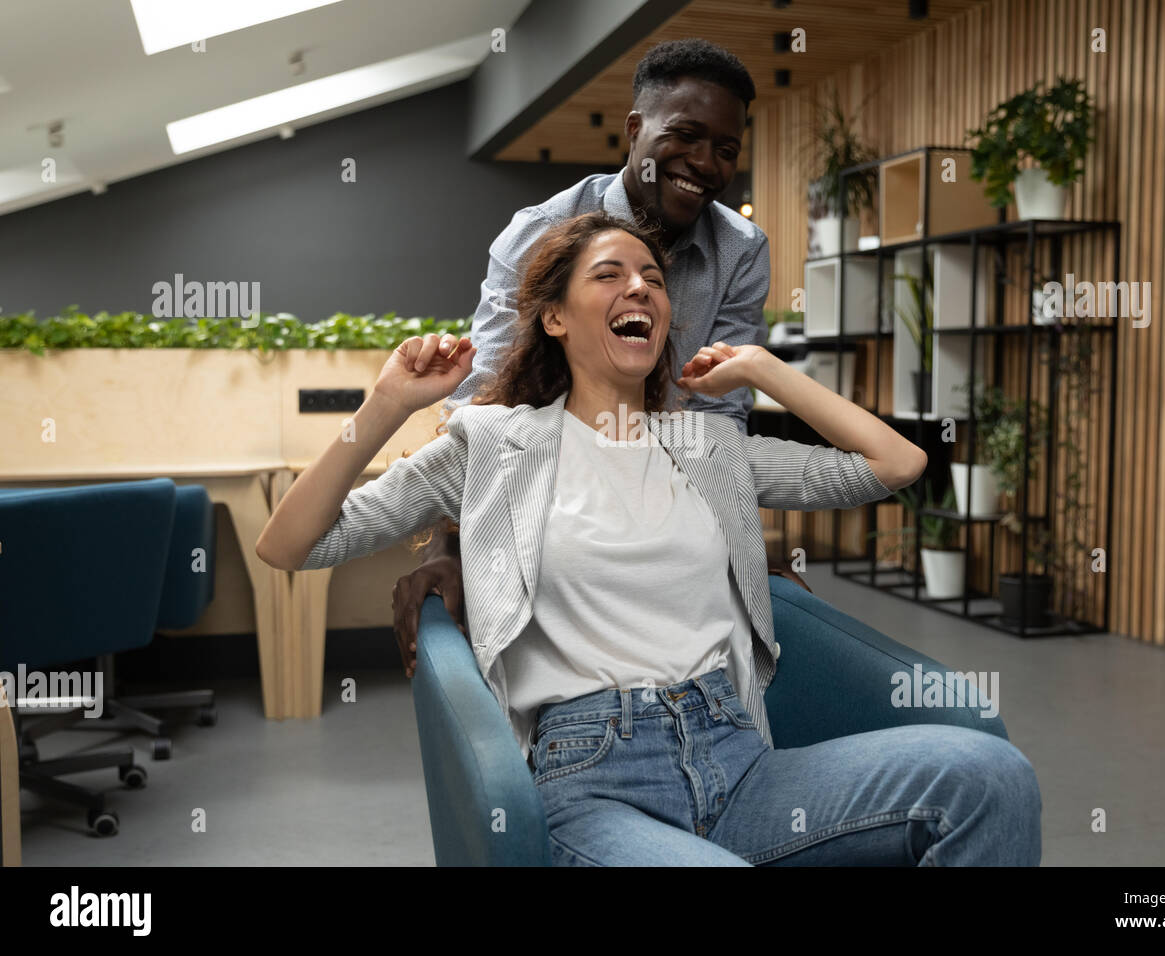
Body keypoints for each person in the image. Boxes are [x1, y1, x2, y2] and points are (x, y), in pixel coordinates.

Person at [255, 212, 1043, 866]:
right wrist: (387, 403)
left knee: (990, 776)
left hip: (739, 760)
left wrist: (763, 370)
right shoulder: (492, 443)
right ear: (555, 318)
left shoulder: (708, 446)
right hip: (593, 783)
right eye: (609, 275)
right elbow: (291, 546)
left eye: (653, 279)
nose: (639, 287)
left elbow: (895, 464)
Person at [392, 37, 775, 651]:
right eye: (685, 135)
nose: (705, 163)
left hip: (664, 506)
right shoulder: (539, 233)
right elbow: (482, 405)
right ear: (635, 129)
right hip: (543, 509)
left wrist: (742, 561)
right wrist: (446, 548)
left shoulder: (741, 251)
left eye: (726, 150)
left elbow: (719, 418)